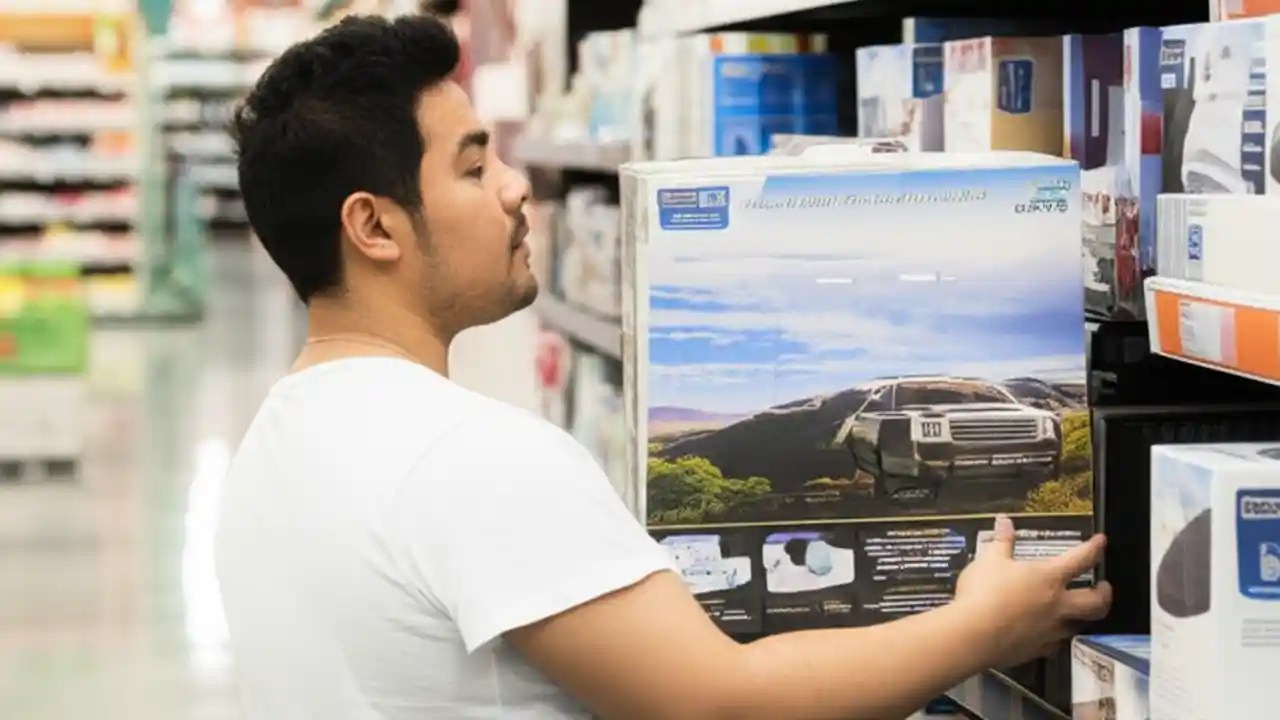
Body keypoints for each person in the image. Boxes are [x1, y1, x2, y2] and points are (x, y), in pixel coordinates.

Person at [215, 14, 1112, 720]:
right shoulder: (470, 458)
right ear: (374, 227)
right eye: (474, 166)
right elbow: (719, 704)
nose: (515, 188)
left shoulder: (276, 442)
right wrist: (981, 626)